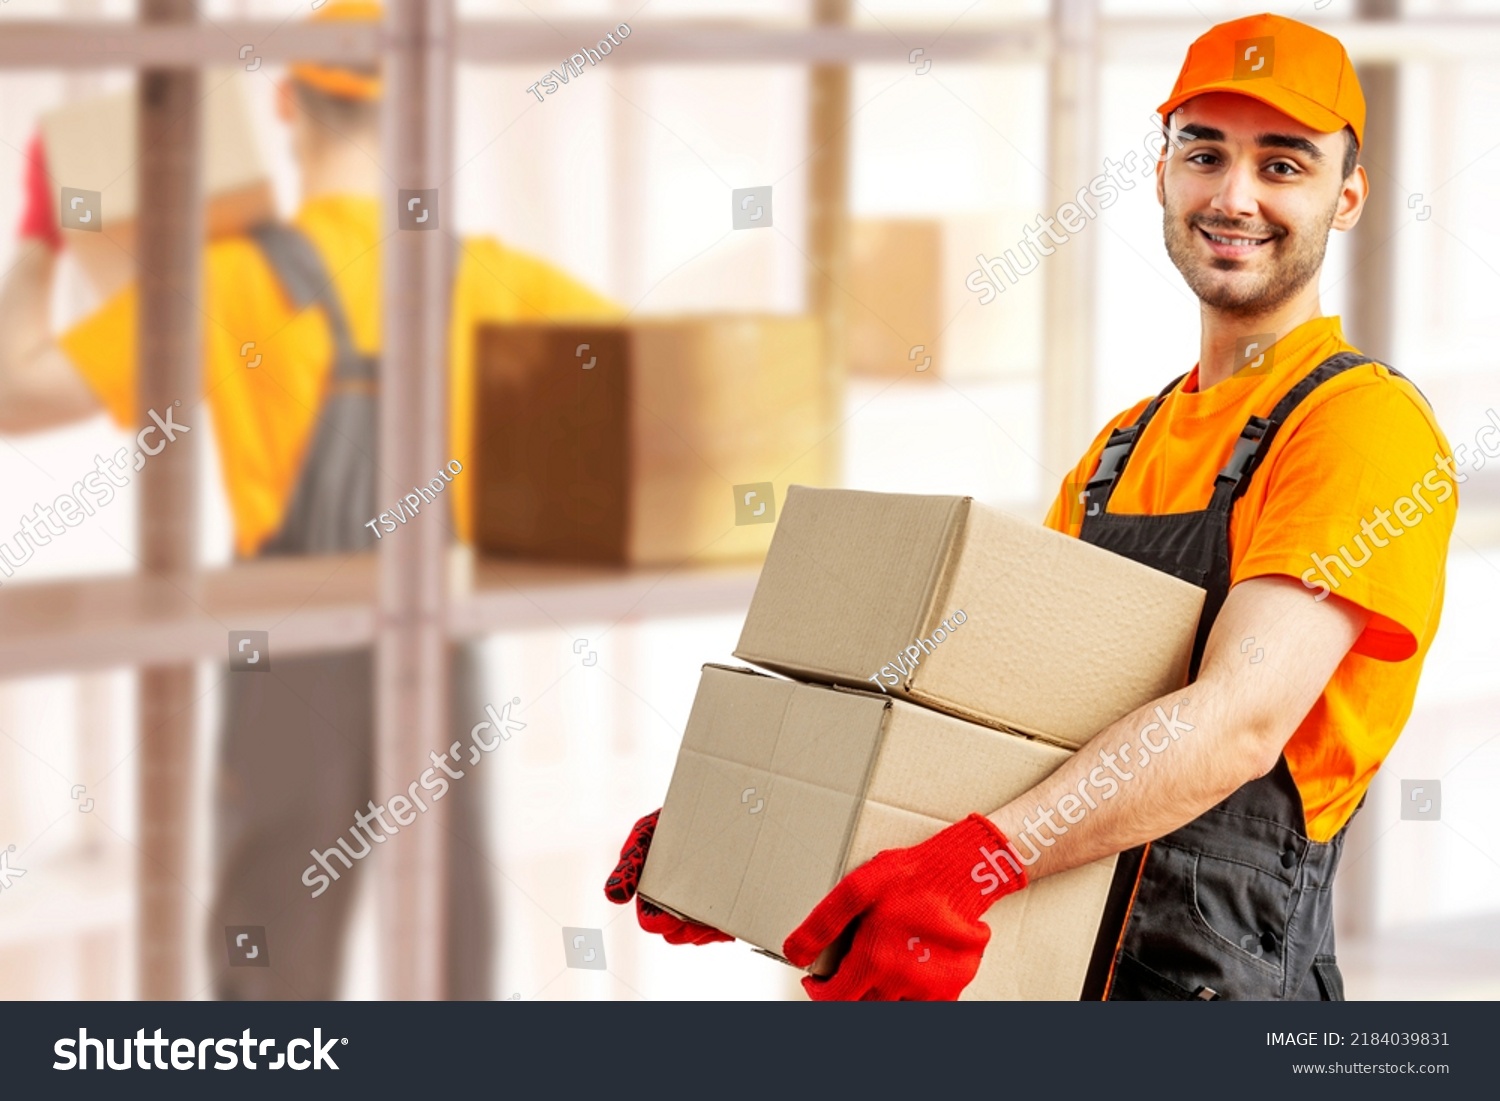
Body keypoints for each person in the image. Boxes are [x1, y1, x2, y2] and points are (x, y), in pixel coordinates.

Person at [606, 13, 1456, 1001]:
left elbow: (1238, 722)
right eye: (1205, 153)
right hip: (1056, 973)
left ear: (1345, 197)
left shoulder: (1362, 426)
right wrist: (771, 833)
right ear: (1161, 173)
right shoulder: (1118, 452)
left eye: (1282, 165)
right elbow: (996, 726)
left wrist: (974, 866)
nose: (1233, 195)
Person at [0, 0, 617, 998]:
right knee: (453, 954)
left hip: (285, 653)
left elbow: (16, 395)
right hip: (439, 638)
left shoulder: (231, 280)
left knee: (271, 963)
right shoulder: (486, 278)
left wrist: (42, 233)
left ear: (286, 103)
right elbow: (663, 386)